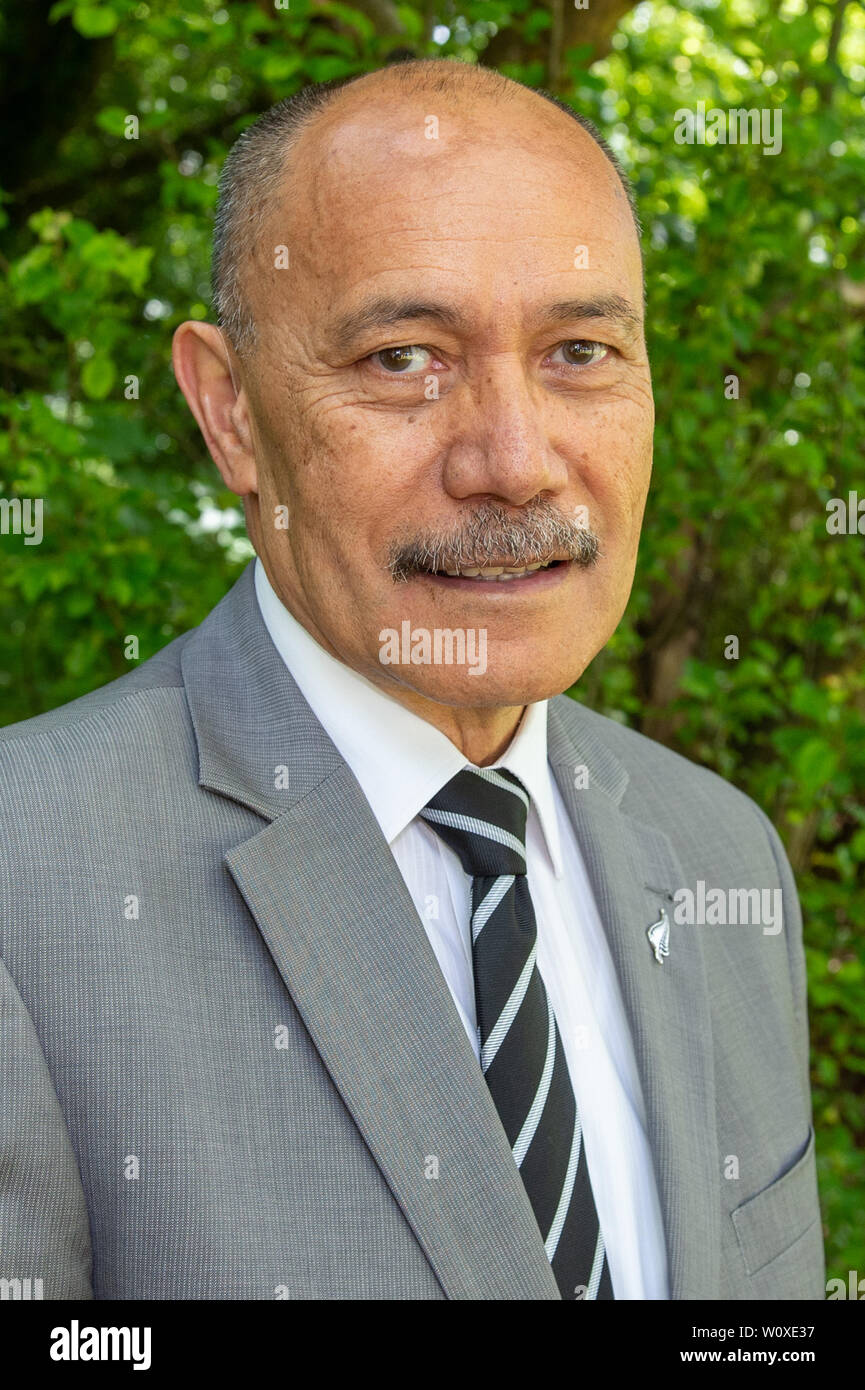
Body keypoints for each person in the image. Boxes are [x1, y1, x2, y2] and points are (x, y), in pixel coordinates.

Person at [0, 58, 824, 1300]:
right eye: (403, 359)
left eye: (581, 350)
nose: (513, 461)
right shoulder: (29, 879)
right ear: (229, 414)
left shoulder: (720, 856)